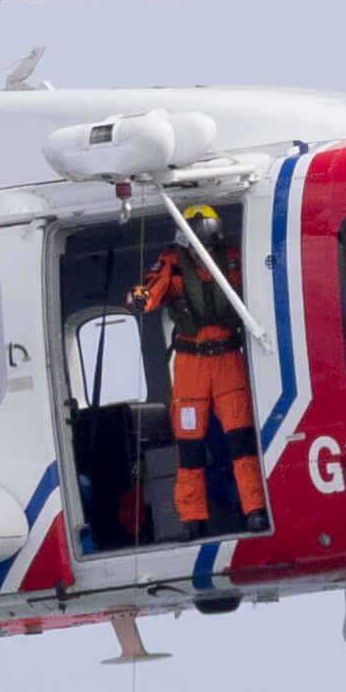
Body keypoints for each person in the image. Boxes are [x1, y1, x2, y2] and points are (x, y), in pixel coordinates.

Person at [124, 228, 261, 533]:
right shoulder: (171, 264)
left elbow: (260, 287)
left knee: (242, 442)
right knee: (189, 448)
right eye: (198, 246)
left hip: (228, 361)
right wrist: (138, 299)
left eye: (208, 246)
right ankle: (192, 518)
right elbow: (149, 290)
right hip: (190, 367)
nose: (204, 252)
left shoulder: (235, 261)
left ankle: (254, 508)